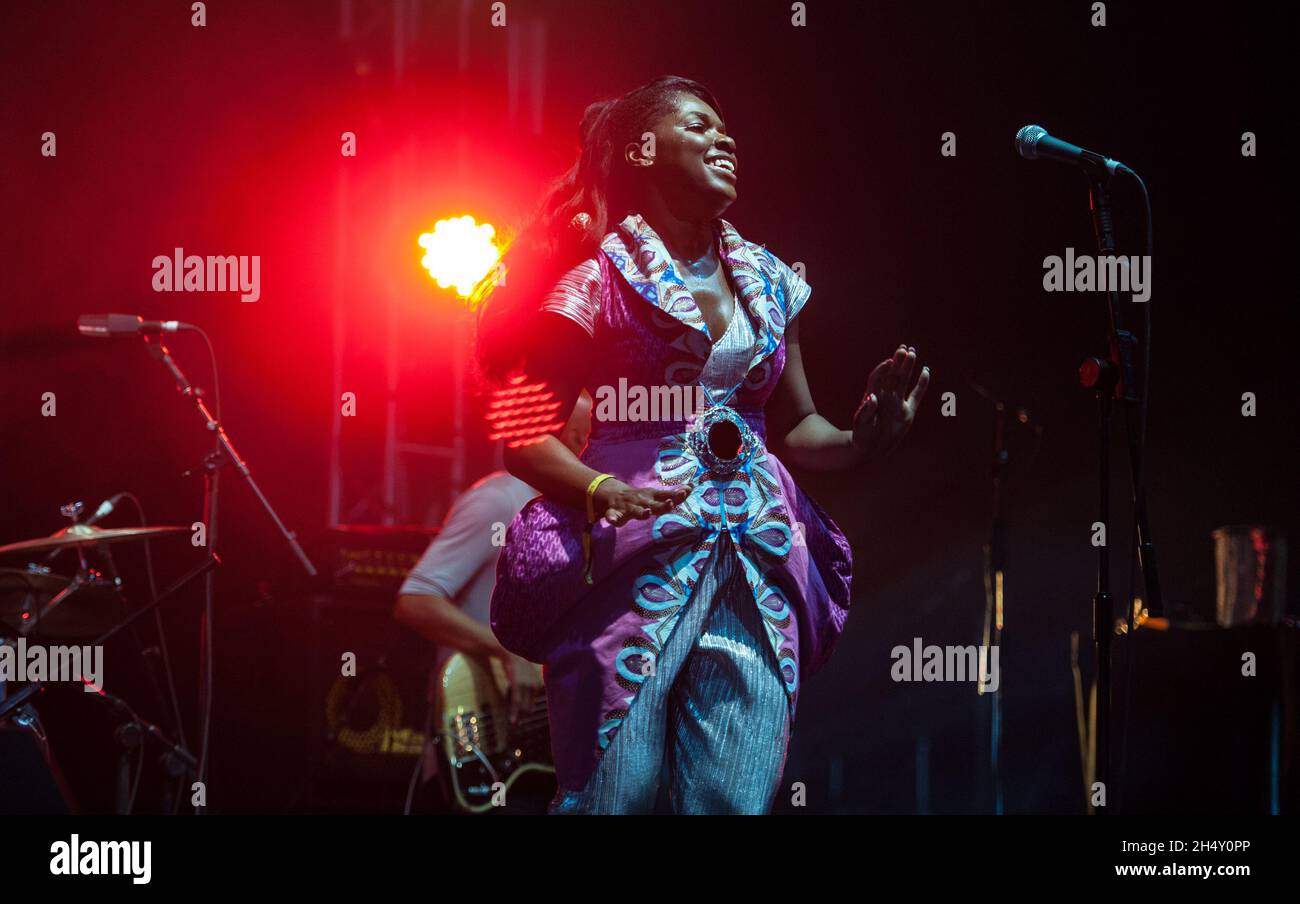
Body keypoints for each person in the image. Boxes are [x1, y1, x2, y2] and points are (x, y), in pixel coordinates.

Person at [474, 75, 930, 815]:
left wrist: (862, 439)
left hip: (756, 556)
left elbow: (799, 428)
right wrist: (599, 490)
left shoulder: (772, 284)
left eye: (728, 130)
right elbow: (521, 438)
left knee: (731, 796)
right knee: (615, 793)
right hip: (630, 556)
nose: (726, 139)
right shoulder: (597, 284)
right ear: (641, 153)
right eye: (699, 127)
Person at [392, 393, 592, 813]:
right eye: (583, 437)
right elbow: (415, 599)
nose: (593, 450)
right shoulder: (498, 501)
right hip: (486, 734)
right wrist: (503, 651)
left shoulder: (584, 512)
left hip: (544, 753)